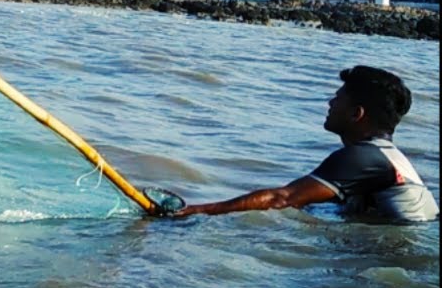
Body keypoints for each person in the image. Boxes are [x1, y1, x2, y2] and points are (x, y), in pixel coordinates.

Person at [174, 66, 439, 222]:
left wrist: (195, 211)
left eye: (338, 99)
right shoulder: (386, 158)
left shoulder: (362, 157)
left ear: (356, 114)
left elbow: (282, 198)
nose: (330, 104)